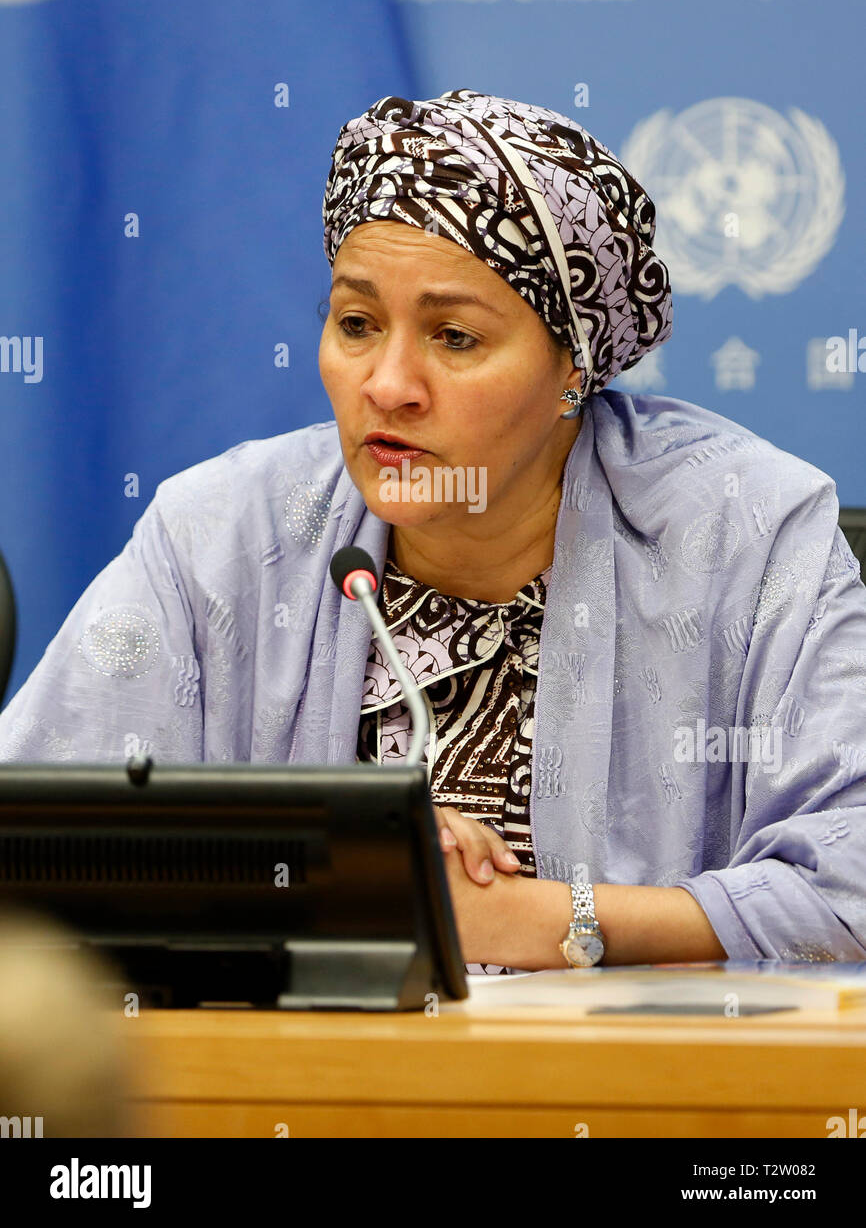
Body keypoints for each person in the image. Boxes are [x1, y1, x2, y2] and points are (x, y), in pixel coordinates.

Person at [1, 88, 864, 975]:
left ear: (576, 367)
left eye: (454, 337)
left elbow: (853, 879)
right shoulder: (225, 532)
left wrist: (543, 922)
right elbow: (35, 844)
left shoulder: (746, 531)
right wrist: (335, 866)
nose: (389, 384)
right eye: (357, 324)